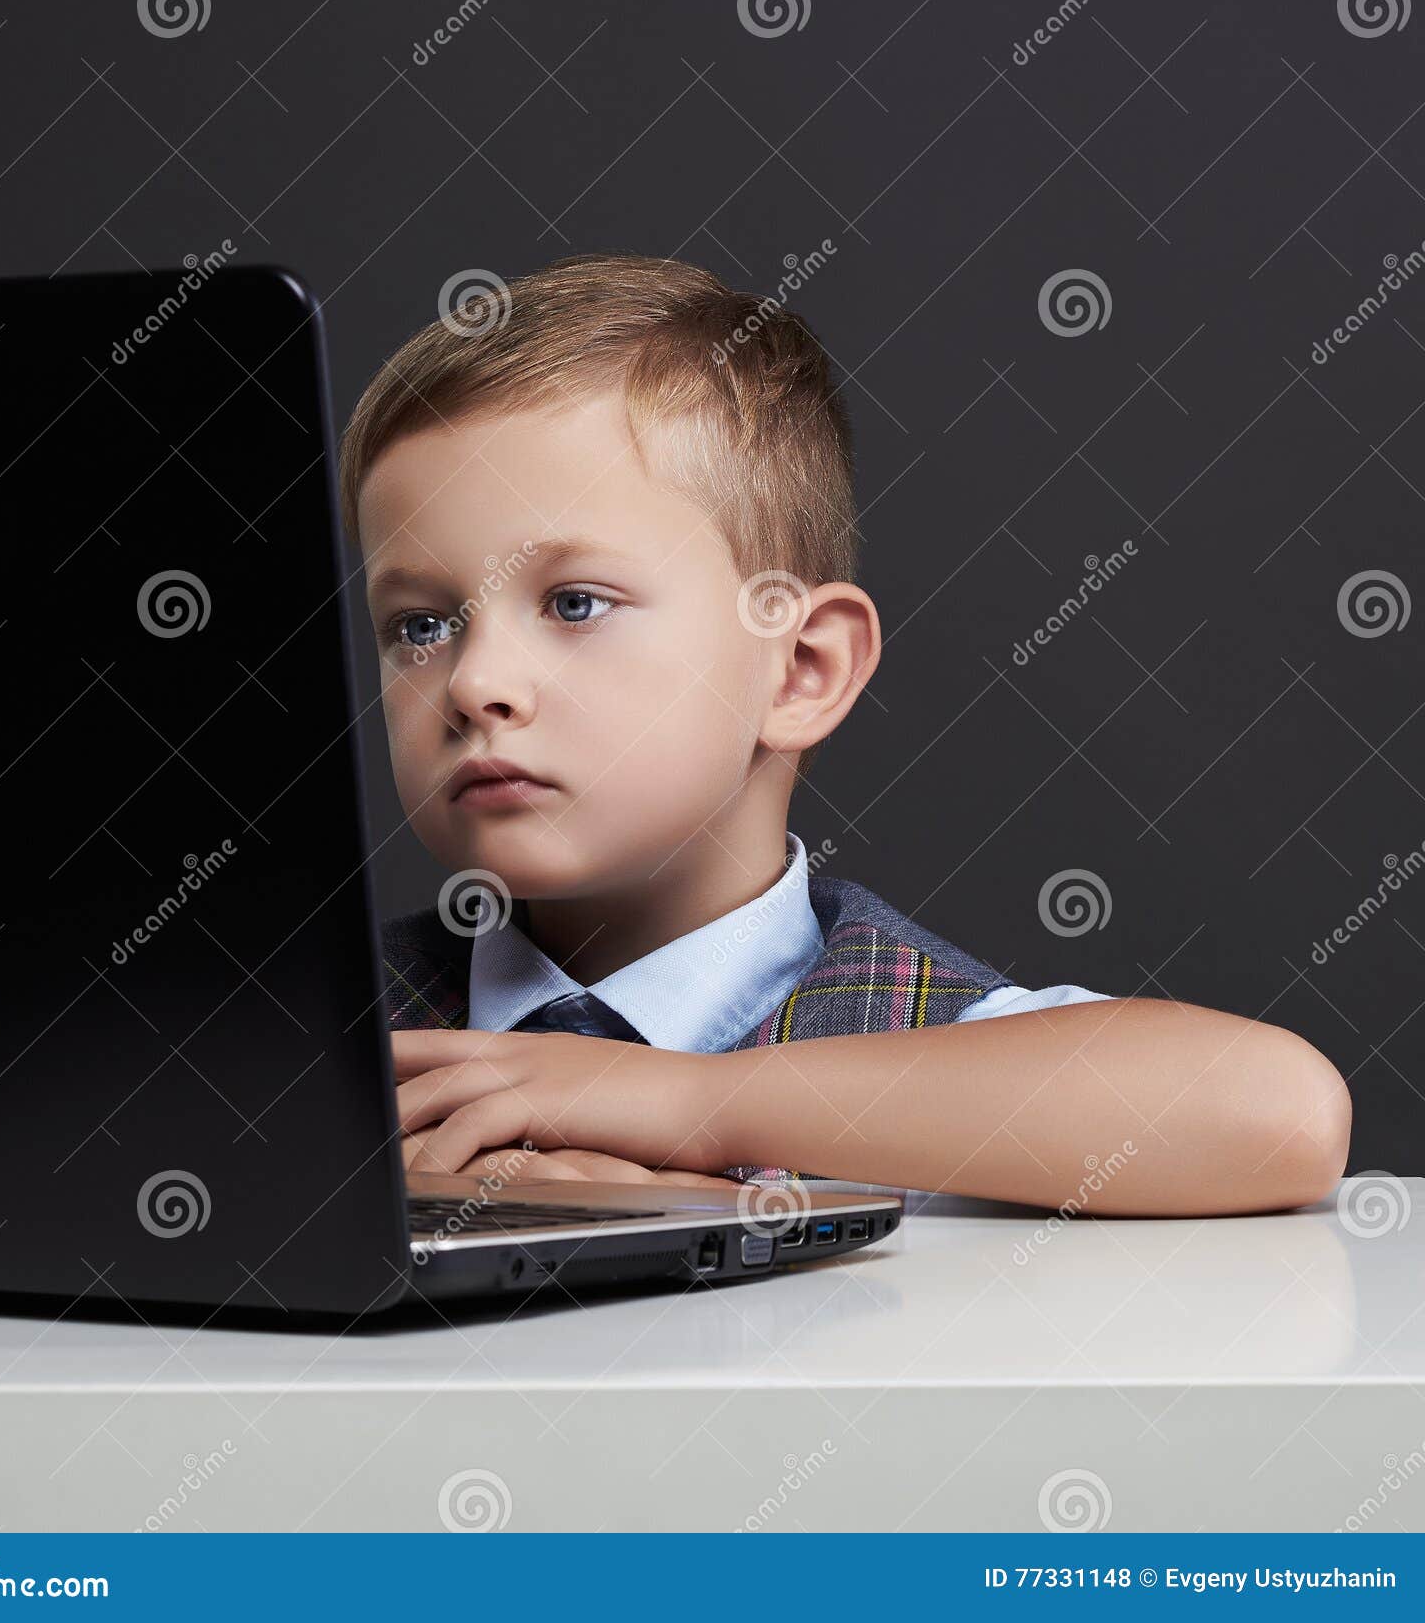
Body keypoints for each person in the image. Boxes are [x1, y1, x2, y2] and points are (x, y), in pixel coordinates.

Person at [339, 253, 1349, 1216]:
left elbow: (1275, 1109)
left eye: (575, 602)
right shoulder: (303, 1038)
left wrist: (684, 1104)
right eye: (419, 625)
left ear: (800, 669)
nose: (474, 683)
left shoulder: (950, 1058)